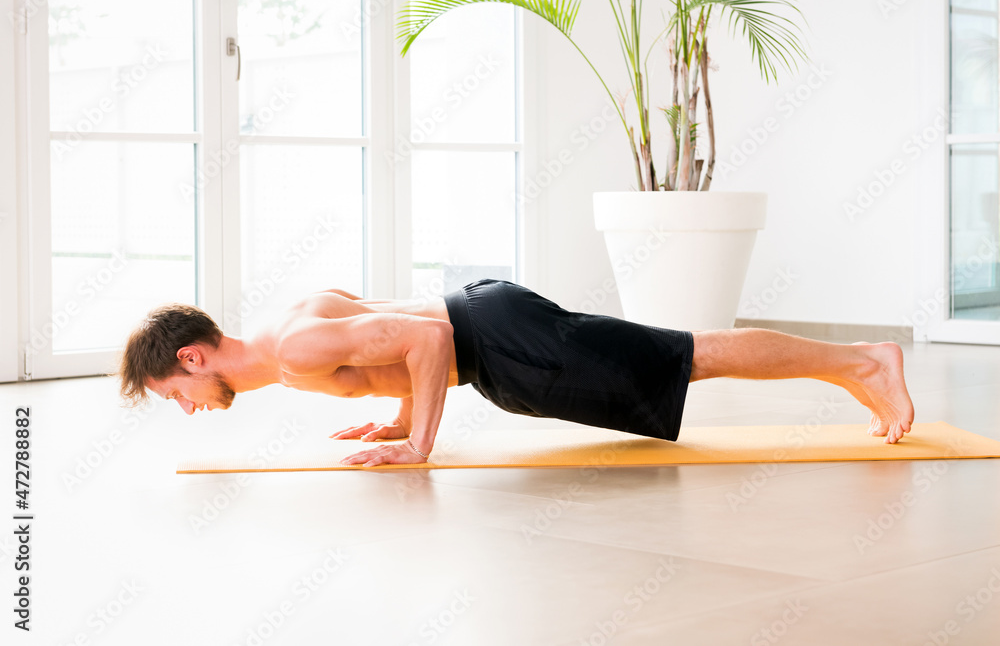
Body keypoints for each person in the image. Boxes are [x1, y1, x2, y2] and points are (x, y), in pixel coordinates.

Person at [117, 279, 914, 467]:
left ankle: (863, 360)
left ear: (192, 358)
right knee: (680, 361)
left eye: (175, 395)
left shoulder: (290, 349)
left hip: (495, 341)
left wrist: (417, 445)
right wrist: (396, 417)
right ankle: (851, 372)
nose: (188, 408)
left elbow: (427, 339)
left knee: (686, 356)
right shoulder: (284, 342)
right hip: (496, 346)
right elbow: (396, 348)